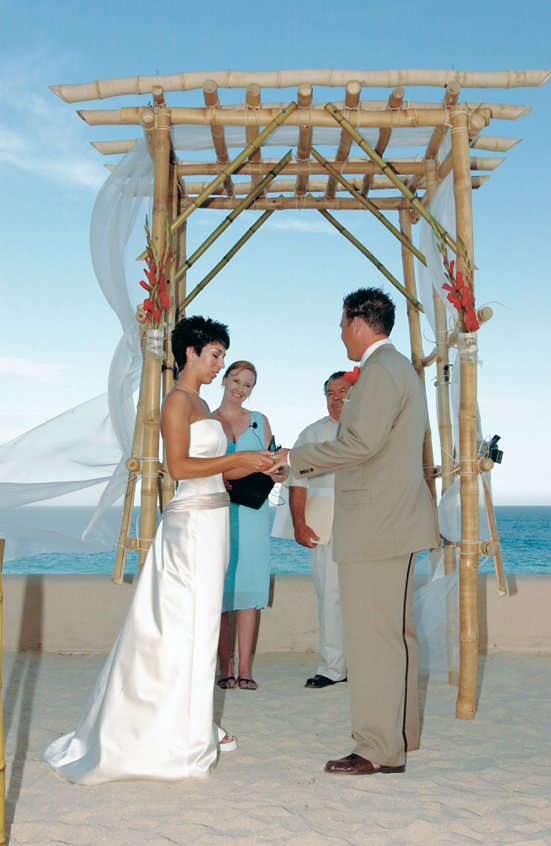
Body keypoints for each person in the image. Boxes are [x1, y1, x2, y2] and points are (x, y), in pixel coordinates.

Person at [43, 316, 274, 784]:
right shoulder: (176, 400)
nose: (219, 365)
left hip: (214, 520)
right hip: (190, 526)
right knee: (182, 623)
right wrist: (240, 458)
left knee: (201, 623)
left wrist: (262, 468)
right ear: (190, 352)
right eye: (215, 356)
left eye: (223, 357)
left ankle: (191, 720)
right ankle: (177, 728)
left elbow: (214, 471)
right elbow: (180, 467)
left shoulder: (203, 402)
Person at [269, 288, 440, 776]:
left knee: (372, 641)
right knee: (396, 636)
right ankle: (398, 737)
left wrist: (292, 459)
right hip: (396, 520)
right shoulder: (399, 368)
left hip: (376, 523)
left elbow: (360, 443)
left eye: (342, 323)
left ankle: (377, 749)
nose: (340, 332)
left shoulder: (381, 371)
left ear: (360, 323)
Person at [213, 361, 284, 691]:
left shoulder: (260, 421)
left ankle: (245, 669)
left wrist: (278, 471)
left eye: (249, 385)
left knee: (249, 588)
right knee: (220, 588)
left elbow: (273, 466)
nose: (241, 388)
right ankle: (223, 667)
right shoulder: (207, 420)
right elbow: (197, 464)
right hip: (217, 512)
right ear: (225, 379)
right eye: (236, 380)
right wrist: (219, 477)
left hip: (254, 513)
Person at [289, 371, 348, 689]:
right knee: (330, 596)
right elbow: (297, 481)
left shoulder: (377, 428)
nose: (336, 397)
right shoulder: (312, 434)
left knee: (371, 598)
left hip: (370, 524)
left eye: (343, 390)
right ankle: (332, 668)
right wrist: (300, 522)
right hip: (326, 526)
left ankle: (367, 665)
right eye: (330, 392)